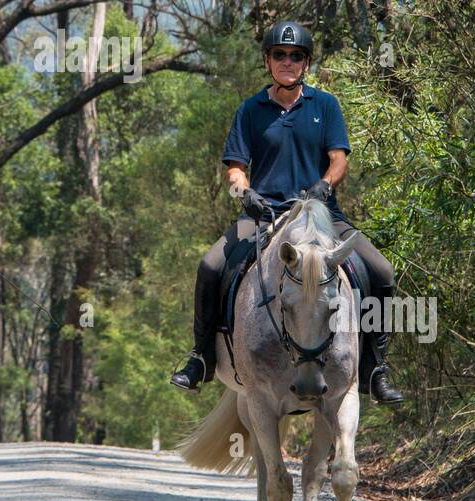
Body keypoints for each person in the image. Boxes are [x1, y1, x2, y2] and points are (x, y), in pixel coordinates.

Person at [170, 21, 403, 404]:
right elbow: (233, 167)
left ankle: (375, 367)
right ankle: (200, 358)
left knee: (381, 271)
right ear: (268, 60)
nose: (288, 61)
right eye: (280, 54)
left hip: (322, 214)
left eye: (296, 56)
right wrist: (245, 193)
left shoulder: (325, 105)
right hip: (263, 216)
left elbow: (339, 159)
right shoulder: (251, 110)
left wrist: (325, 185)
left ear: (306, 64)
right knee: (210, 266)